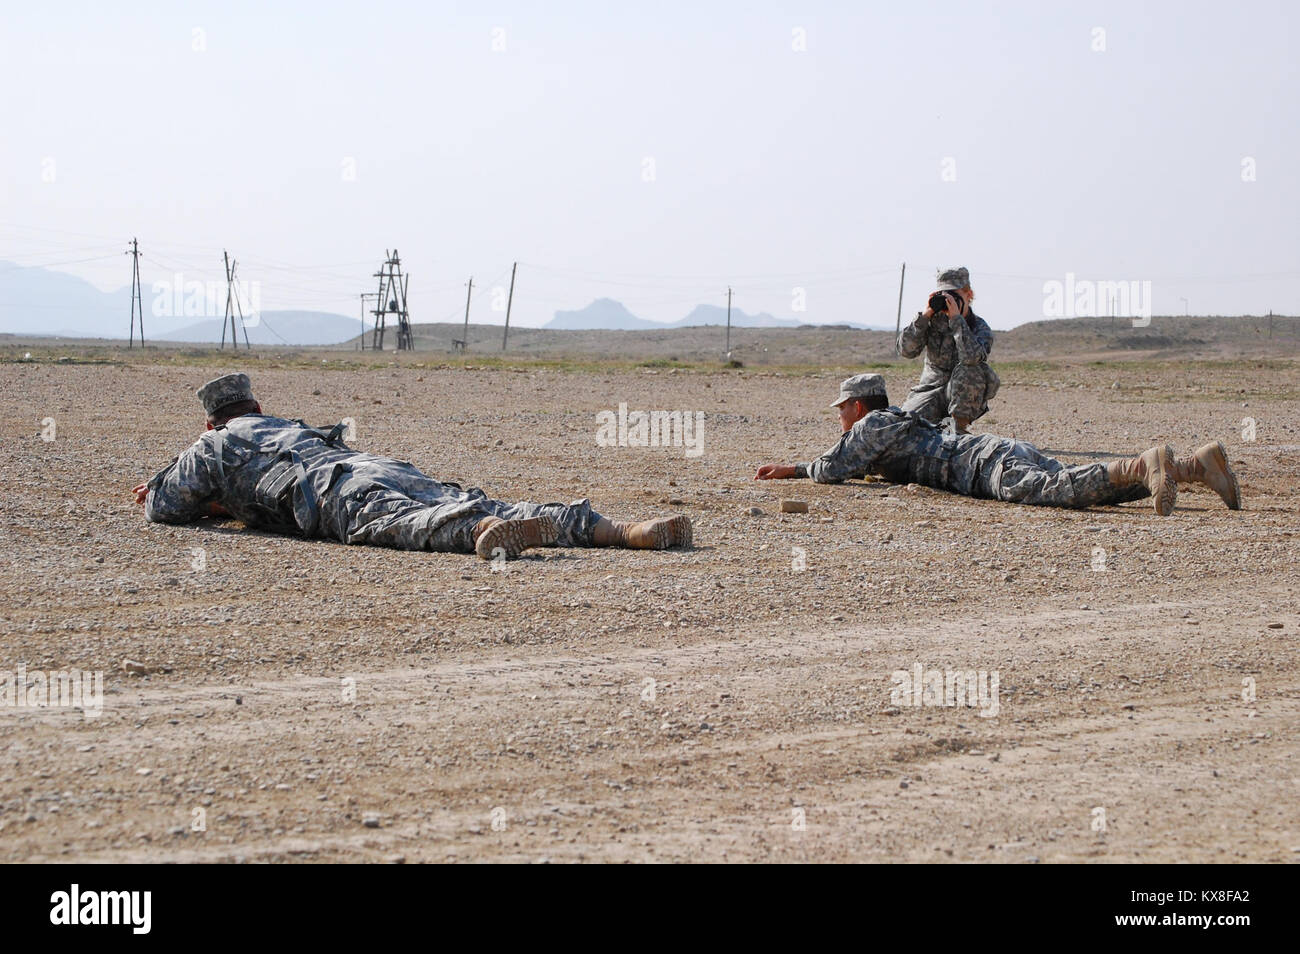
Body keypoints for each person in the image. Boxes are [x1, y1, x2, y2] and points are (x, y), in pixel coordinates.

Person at [134, 373, 692, 560]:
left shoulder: (212, 447)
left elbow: (166, 507)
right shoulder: (287, 425)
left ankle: (481, 532)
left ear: (213, 421)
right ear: (255, 406)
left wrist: (188, 493)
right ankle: (621, 530)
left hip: (329, 492)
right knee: (465, 496)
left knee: (401, 523)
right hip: (371, 464)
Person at [754, 374, 1241, 516]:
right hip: (996, 449)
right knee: (1082, 486)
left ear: (858, 406)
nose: (839, 416)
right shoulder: (889, 424)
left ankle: (1147, 461)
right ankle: (1196, 466)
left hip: (981, 464)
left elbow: (835, 468)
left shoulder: (873, 425)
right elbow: (855, 464)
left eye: (841, 408)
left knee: (1054, 493)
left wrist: (797, 470)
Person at [897, 266, 1000, 433]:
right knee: (905, 428)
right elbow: (906, 351)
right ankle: (940, 425)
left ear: (969, 295)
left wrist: (957, 321)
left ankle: (958, 427)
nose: (948, 299)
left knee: (970, 367)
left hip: (963, 393)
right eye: (944, 294)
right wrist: (924, 316)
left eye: (954, 294)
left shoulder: (979, 327)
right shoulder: (931, 321)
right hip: (931, 390)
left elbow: (971, 358)